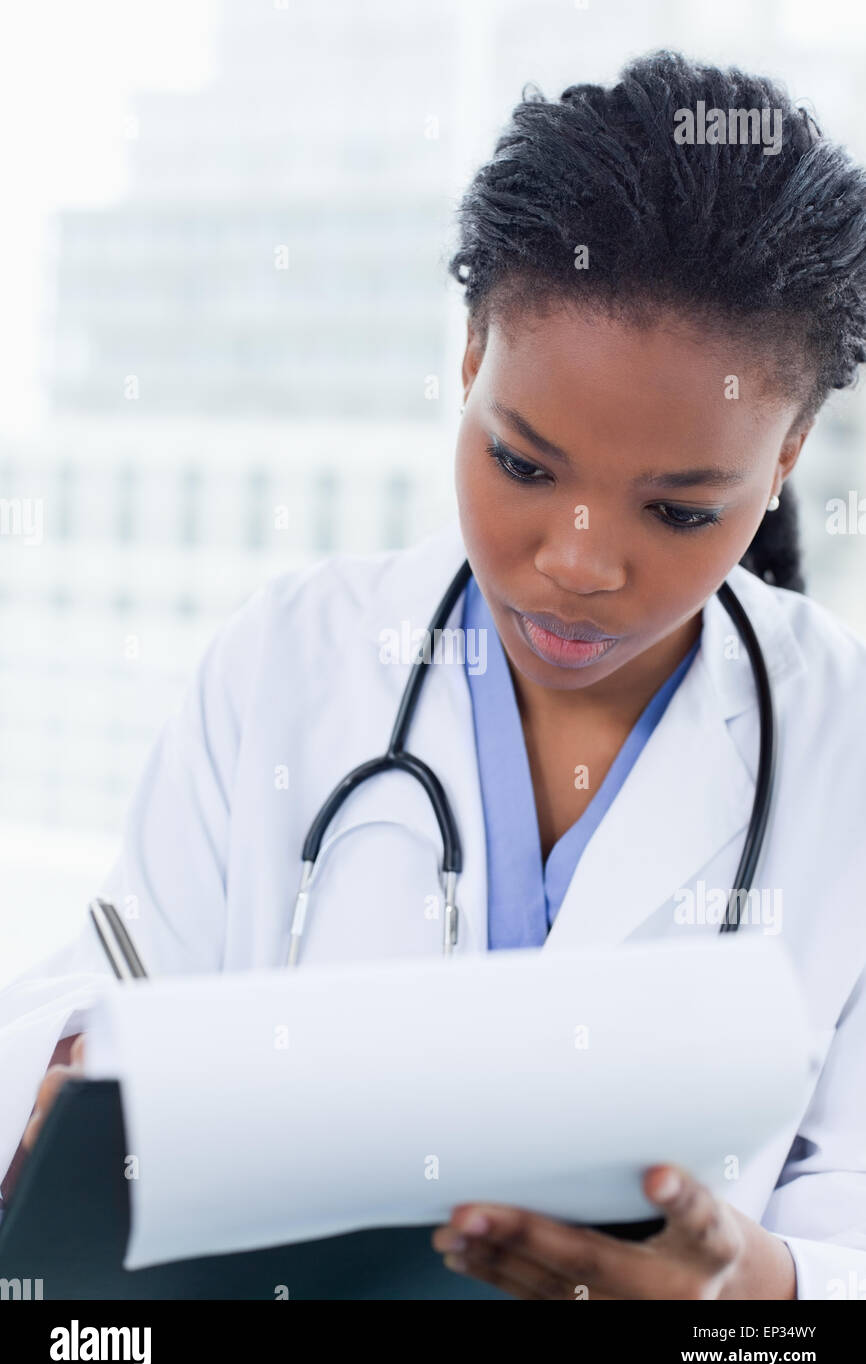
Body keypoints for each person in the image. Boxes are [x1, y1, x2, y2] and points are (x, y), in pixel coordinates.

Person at [2, 49, 866, 1300]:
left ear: (785, 450)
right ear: (469, 357)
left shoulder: (844, 745)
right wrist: (70, 1075)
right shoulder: (290, 661)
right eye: (522, 465)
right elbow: (108, 991)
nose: (576, 564)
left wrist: (757, 1294)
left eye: (677, 513)